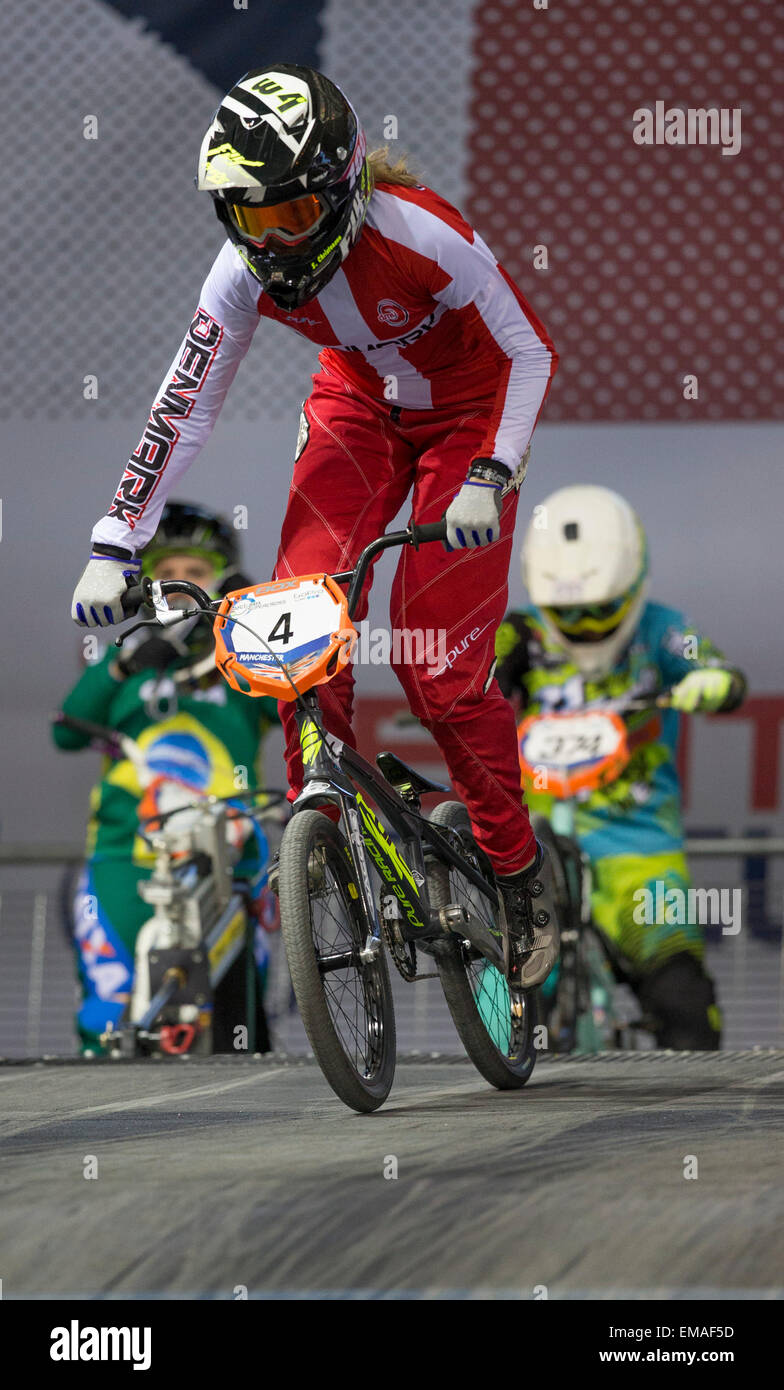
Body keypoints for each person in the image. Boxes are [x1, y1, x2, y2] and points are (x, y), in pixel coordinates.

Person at [69, 63, 560, 992]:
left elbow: (531, 352)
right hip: (359, 406)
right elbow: (185, 406)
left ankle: (518, 869)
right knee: (297, 629)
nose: (274, 243)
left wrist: (490, 475)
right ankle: (323, 835)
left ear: (341, 192)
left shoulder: (421, 233)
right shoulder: (238, 275)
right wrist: (113, 543)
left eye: (291, 217)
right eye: (252, 221)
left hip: (470, 415)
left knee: (439, 675)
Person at [496, 484, 747, 1048]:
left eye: (601, 609)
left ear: (634, 585)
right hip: (534, 856)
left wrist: (715, 681)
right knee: (508, 1012)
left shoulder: (663, 627)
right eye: (569, 613)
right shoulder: (523, 632)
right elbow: (482, 672)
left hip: (642, 857)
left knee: (686, 1009)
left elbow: (714, 666)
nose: (584, 624)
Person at [55, 501, 280, 1054]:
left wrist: (250, 627)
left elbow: (295, 700)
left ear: (221, 580)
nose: (180, 584)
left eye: (196, 573)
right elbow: (66, 732)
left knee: (236, 1015)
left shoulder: (239, 667)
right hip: (124, 856)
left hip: (231, 859)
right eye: (167, 572)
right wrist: (124, 662)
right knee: (109, 1013)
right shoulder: (124, 663)